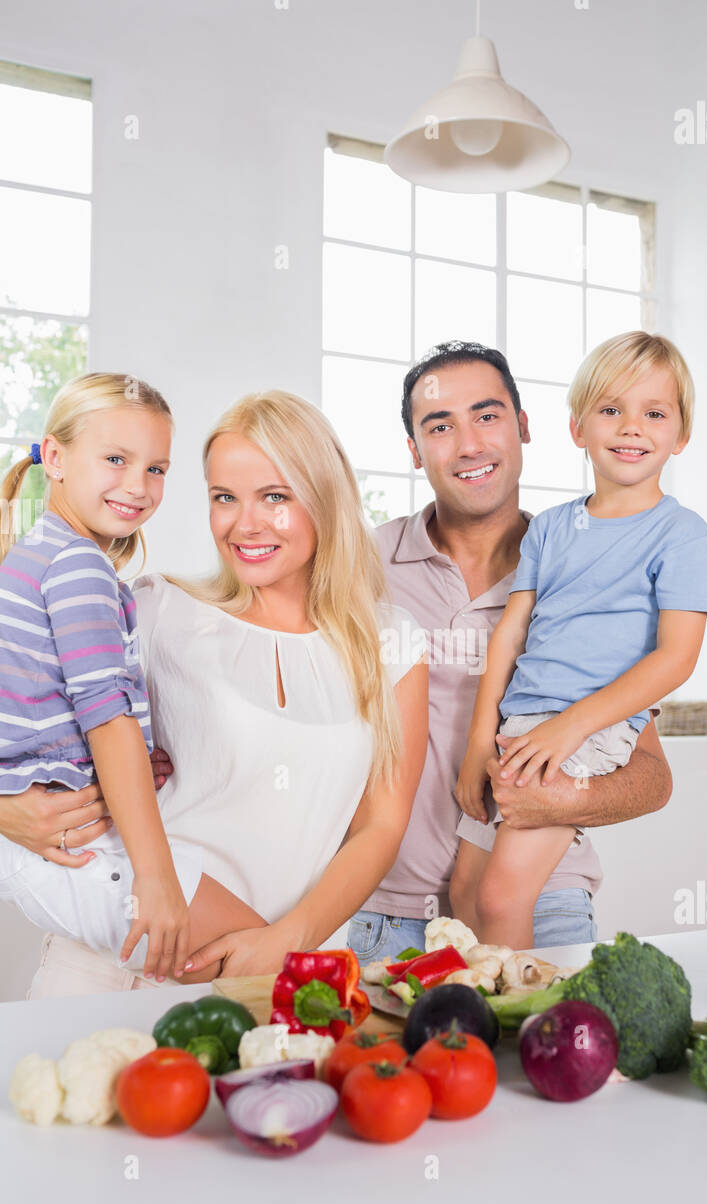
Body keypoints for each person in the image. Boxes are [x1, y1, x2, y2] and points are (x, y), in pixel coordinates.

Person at [1, 388, 427, 995]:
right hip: (116, 968)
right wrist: (6, 812)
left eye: (274, 497)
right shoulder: (155, 609)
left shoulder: (392, 642)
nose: (244, 524)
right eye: (224, 498)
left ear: (325, 498)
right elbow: (24, 701)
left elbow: (381, 825)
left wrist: (285, 942)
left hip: (275, 975)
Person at [346, 341, 676, 965]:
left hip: (544, 905)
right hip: (387, 914)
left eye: (488, 415)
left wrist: (566, 798)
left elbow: (653, 777)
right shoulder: (357, 569)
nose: (468, 444)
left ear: (524, 428)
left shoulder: (591, 568)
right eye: (440, 426)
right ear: (415, 452)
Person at [451, 332, 707, 948]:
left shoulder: (682, 535)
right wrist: (476, 743)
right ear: (577, 427)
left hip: (587, 728)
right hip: (520, 723)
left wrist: (569, 727)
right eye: (611, 409)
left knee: (501, 896)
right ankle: (472, 1026)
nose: (632, 428)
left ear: (680, 436)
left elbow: (676, 658)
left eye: (654, 413)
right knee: (466, 892)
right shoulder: (549, 528)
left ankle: (515, 1035)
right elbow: (511, 633)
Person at [0, 373, 265, 984]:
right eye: (116, 459)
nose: (138, 486)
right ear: (57, 457)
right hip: (78, 853)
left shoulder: (36, 552)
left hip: (42, 845)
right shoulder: (78, 566)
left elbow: (39, 706)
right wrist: (155, 875)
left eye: (157, 468)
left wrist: (138, 759)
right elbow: (105, 717)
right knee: (263, 967)